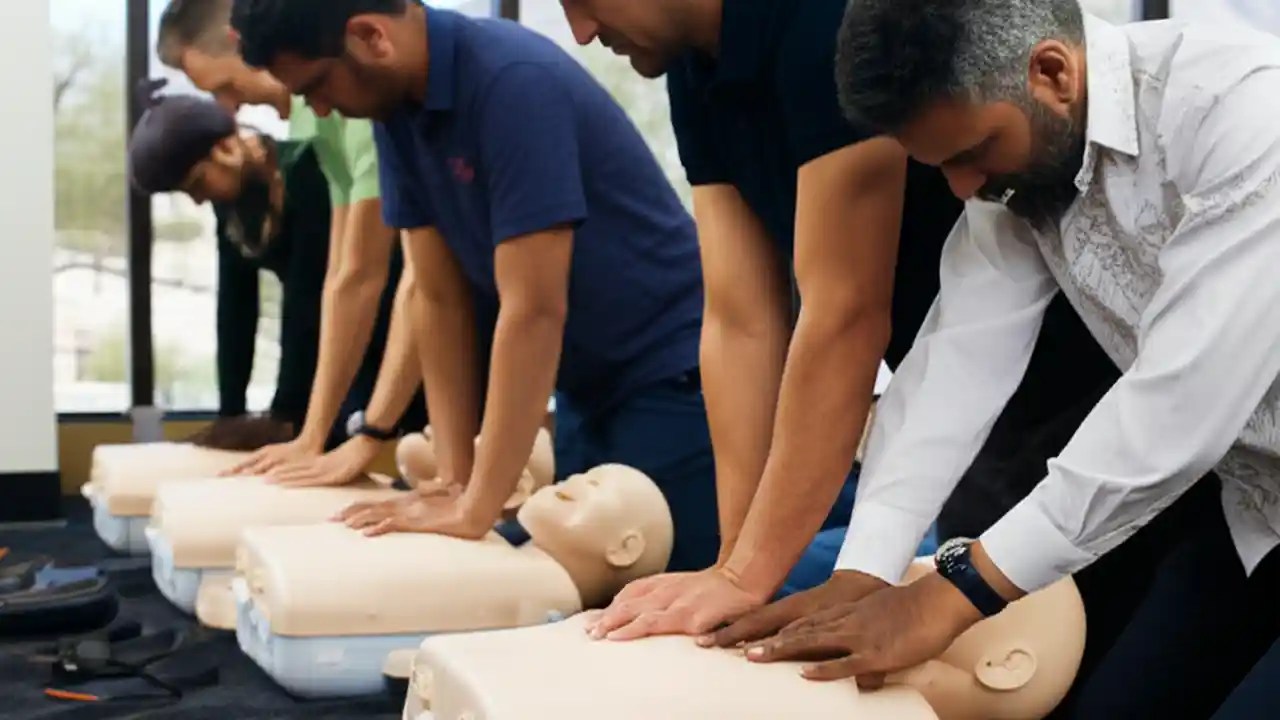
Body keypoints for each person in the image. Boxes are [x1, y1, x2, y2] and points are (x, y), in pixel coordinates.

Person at [705, 2, 1280, 718]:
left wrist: (958, 592)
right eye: (941, 165)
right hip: (1258, 511)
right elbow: (958, 355)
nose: (962, 187)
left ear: (1051, 72)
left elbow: (1183, 404)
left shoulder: (1241, 107)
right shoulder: (1017, 171)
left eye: (971, 152)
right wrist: (866, 571)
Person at [557, 0, 1117, 640]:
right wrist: (733, 568)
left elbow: (845, 314)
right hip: (957, 398)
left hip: (1075, 393)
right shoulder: (692, 69)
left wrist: (747, 575)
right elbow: (741, 318)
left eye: (581, 0)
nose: (581, 32)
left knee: (1052, 656)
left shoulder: (823, 21)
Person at [227, 0, 734, 574]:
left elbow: (534, 309)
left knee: (689, 592)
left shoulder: (509, 81)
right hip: (584, 391)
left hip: (672, 378)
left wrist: (477, 506)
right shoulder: (397, 115)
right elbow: (438, 300)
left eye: (317, 84)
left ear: (370, 36)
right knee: (585, 588)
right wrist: (454, 478)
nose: (318, 107)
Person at [156, 0, 426, 470]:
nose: (229, 109)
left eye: (225, 87)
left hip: (440, 329)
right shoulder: (311, 116)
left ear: (243, 42)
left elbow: (384, 276)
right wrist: (309, 434)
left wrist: (363, 432)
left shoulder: (350, 101)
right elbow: (341, 280)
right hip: (405, 328)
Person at [127, 89, 412, 452]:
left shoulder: (308, 172)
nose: (199, 198)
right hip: (332, 335)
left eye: (198, 182)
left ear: (226, 150)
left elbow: (307, 302)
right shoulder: (230, 207)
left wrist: (285, 418)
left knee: (360, 443)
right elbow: (235, 308)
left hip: (388, 326)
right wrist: (230, 416)